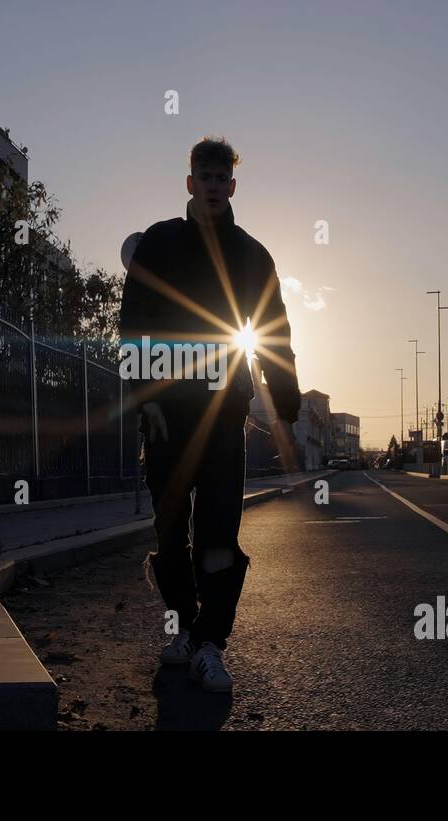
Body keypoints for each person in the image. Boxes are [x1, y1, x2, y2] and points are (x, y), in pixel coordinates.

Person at [118, 136, 301, 692]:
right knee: (172, 529)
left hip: (224, 413)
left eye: (223, 178)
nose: (215, 186)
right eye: (206, 175)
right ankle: (182, 626)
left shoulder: (251, 255)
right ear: (190, 181)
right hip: (168, 414)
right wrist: (145, 400)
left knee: (219, 527)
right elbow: (134, 324)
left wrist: (285, 395)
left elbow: (272, 328)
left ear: (232, 186)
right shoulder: (159, 243)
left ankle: (210, 643)